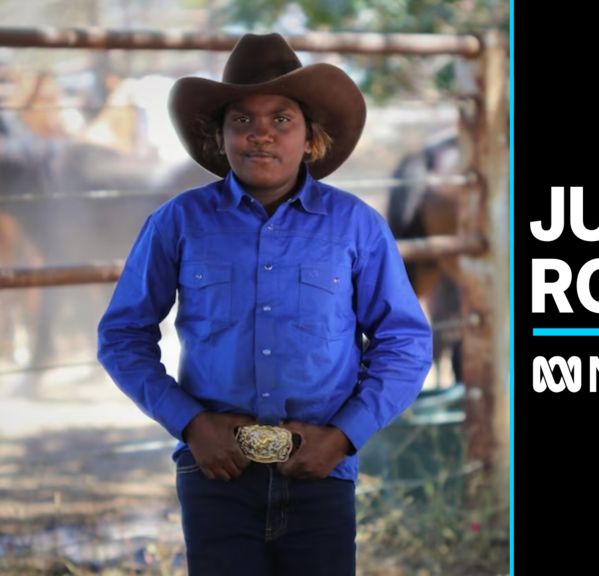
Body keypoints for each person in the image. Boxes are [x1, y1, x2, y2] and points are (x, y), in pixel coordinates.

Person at [97, 33, 432, 575]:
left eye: (281, 119)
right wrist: (192, 425)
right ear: (219, 137)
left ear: (310, 139)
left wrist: (344, 436)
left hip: (321, 473)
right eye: (241, 121)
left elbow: (405, 340)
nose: (260, 135)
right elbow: (122, 335)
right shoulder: (178, 223)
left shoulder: (356, 227)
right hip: (216, 475)